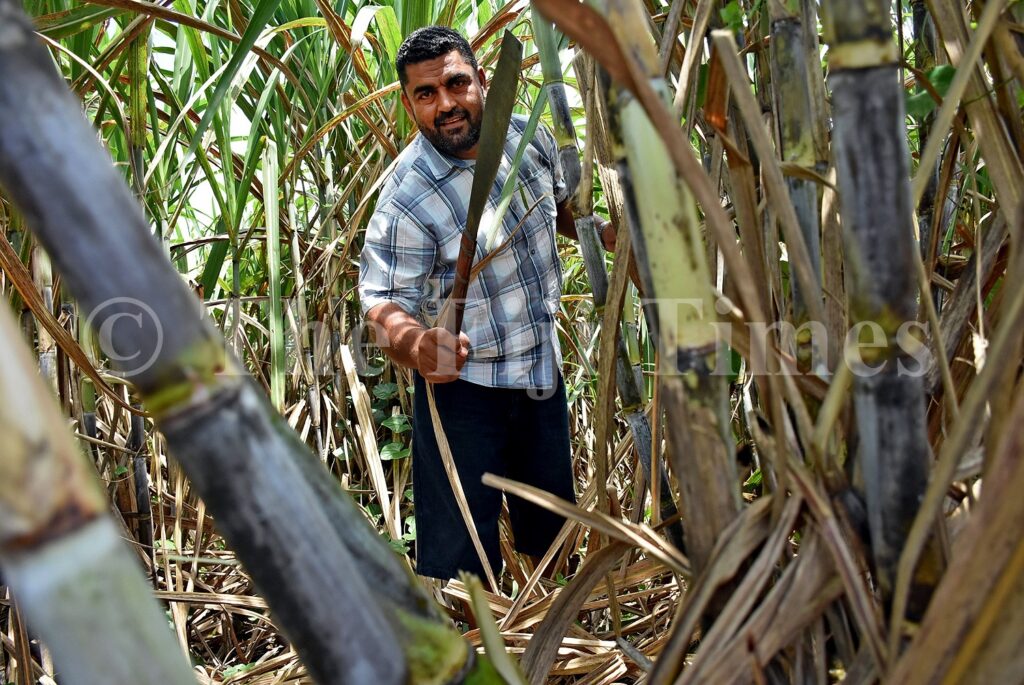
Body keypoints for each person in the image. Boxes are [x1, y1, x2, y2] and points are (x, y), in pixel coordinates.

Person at [358, 26, 615, 581]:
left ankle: (549, 642)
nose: (445, 104)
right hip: (462, 393)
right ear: (409, 105)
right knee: (462, 564)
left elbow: (560, 209)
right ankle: (478, 656)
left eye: (455, 84)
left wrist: (608, 233)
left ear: (482, 81)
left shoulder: (531, 141)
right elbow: (381, 302)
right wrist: (419, 346)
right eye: (426, 94)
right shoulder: (408, 196)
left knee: (551, 536)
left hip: (539, 375)